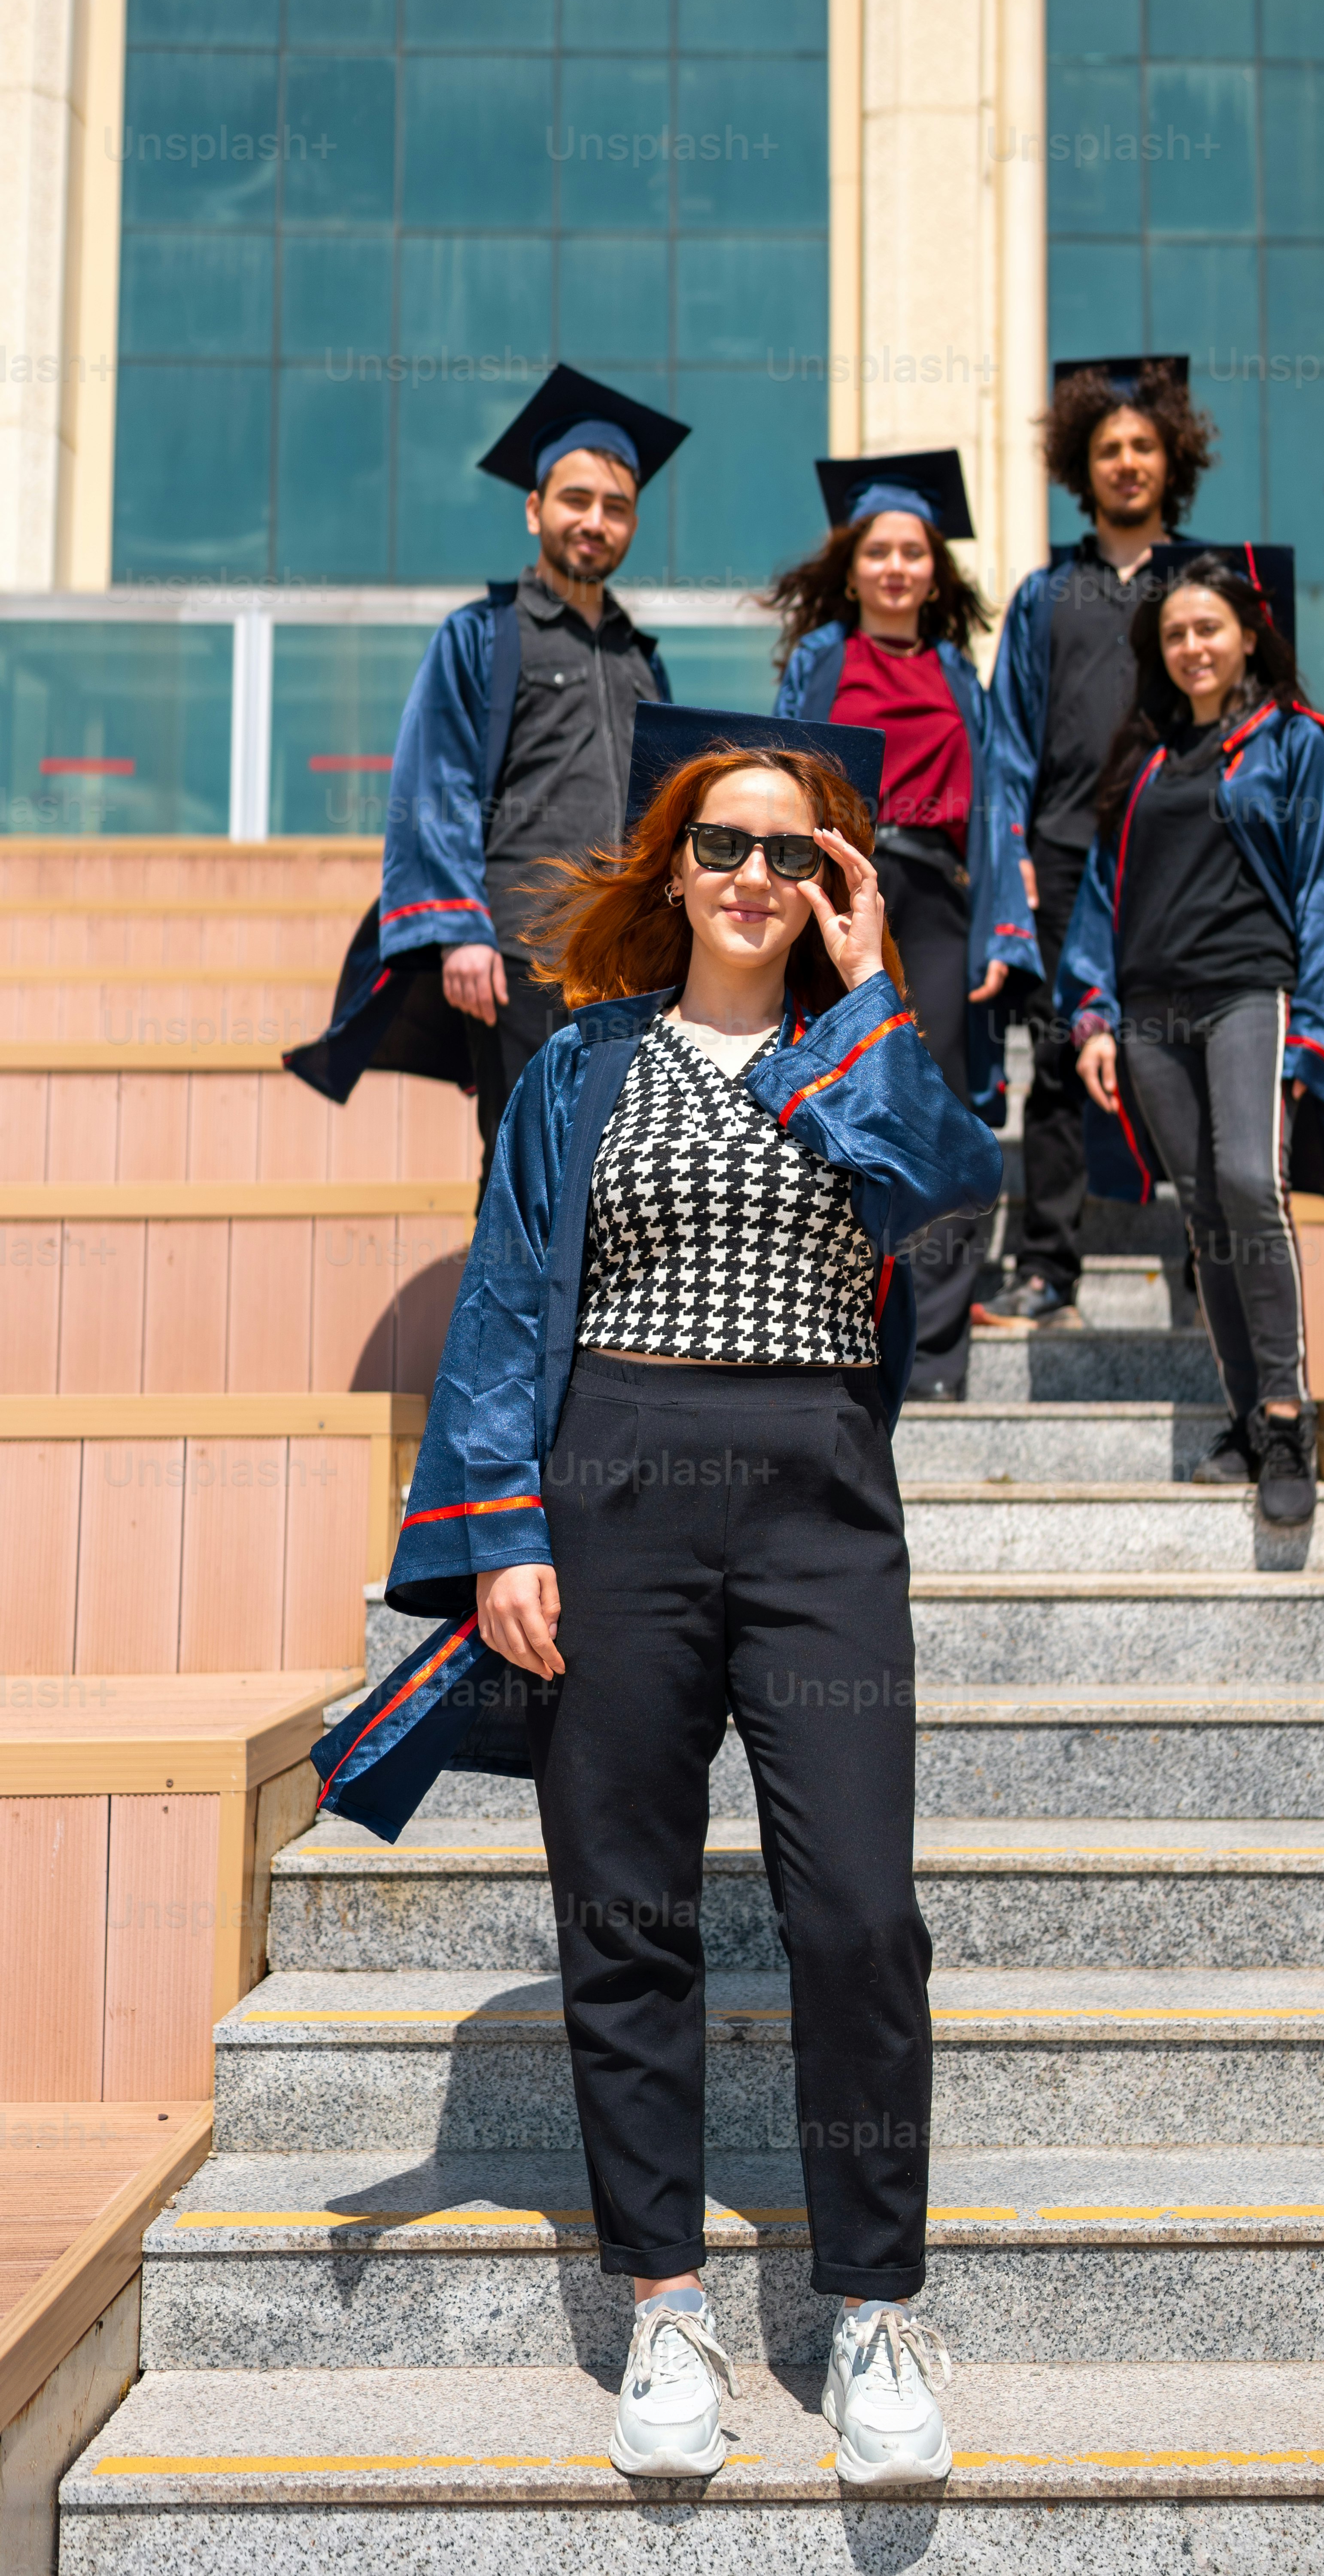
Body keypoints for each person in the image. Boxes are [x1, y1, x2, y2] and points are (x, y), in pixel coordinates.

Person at [379, 700, 1000, 2487]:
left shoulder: (862, 1044)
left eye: (790, 850)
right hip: (618, 1493)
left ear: (834, 880)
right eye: (721, 844)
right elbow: (507, 1299)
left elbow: (939, 1200)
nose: (751, 873)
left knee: (862, 1915)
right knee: (629, 1916)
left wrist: (873, 983)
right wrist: (506, 1531)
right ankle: (665, 2300)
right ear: (675, 865)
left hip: (818, 1509)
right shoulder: (581, 1062)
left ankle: (873, 2306)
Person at [284, 364, 686, 1185]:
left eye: (616, 507)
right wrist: (462, 928)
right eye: (576, 500)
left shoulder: (642, 662)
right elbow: (433, 784)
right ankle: (503, 1322)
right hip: (524, 949)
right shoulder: (483, 636)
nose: (595, 522)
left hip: (631, 965)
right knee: (524, 1171)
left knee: (614, 1176)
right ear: (535, 508)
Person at [1060, 561, 1324, 1527]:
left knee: (1252, 1184)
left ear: (1250, 635)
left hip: (1251, 991)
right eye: (1174, 635)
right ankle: (1248, 1420)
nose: (1192, 648)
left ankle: (1291, 1417)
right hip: (1152, 1013)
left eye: (1209, 628)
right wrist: (1092, 1014)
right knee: (1205, 1215)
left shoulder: (1295, 745)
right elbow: (1099, 899)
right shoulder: (1148, 765)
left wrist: (1321, 1039)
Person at [769, 449, 1041, 1398]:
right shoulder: (820, 661)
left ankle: (935, 1355)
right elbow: (780, 776)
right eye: (878, 551)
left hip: (941, 899)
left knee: (942, 1103)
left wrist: (1006, 928)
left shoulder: (962, 675)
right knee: (836, 1091)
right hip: (836, 896)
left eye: (913, 552)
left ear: (936, 571)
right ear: (852, 569)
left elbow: (1000, 805)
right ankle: (831, 1322)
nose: (896, 567)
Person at [981, 355, 1218, 1329]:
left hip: (1183, 860)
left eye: (1144, 446)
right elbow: (1007, 740)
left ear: (1173, 459)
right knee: (1058, 1072)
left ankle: (1209, 1280)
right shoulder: (1048, 594)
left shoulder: (1207, 586)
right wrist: (1016, 854)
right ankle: (1048, 1273)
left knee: (1192, 1066)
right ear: (1084, 467)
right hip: (1067, 857)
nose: (1127, 463)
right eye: (1108, 448)